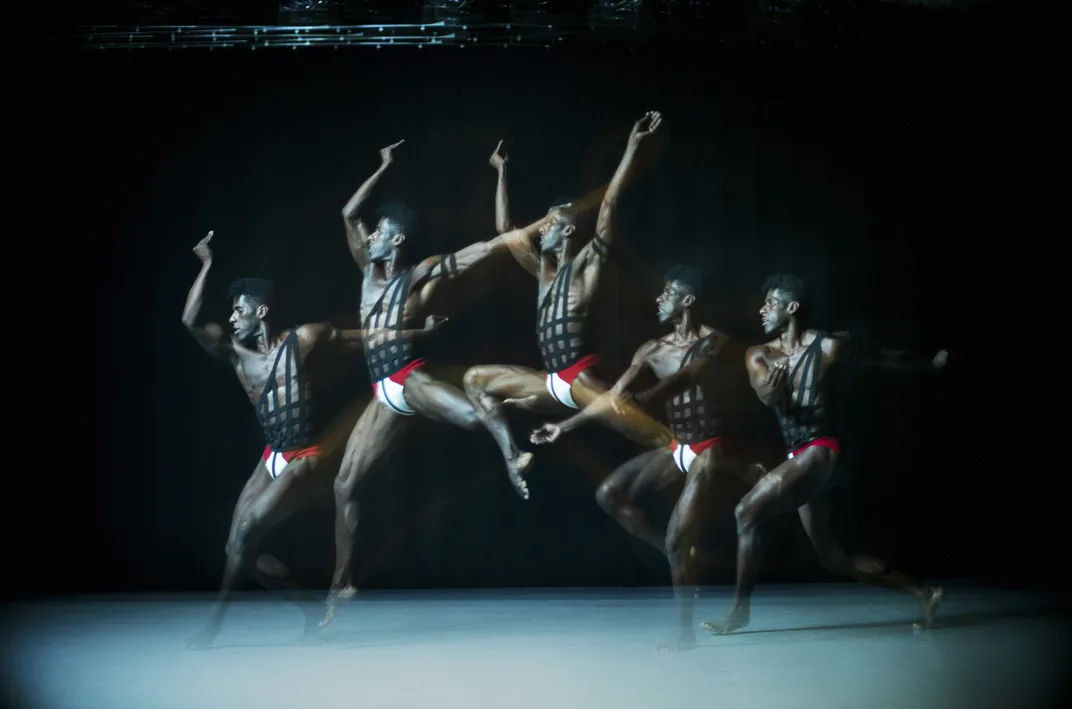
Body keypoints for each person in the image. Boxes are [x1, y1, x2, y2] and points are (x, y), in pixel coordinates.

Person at [322, 140, 552, 626]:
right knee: (345, 485)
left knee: (474, 417)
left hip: (408, 380)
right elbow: (348, 212)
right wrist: (383, 166)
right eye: (375, 232)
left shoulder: (419, 276)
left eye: (382, 233)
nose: (373, 238)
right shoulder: (367, 273)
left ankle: (514, 452)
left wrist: (532, 225)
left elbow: (483, 252)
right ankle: (343, 582)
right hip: (380, 393)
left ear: (398, 240)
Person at [182, 230, 443, 649]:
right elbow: (190, 322)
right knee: (237, 548)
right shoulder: (237, 355)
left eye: (239, 311)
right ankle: (306, 605)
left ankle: (213, 627)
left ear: (260, 311)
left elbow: (362, 338)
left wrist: (419, 333)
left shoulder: (305, 339)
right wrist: (206, 264)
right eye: (231, 313)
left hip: (305, 456)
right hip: (271, 456)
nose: (232, 319)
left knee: (248, 530)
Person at [530, 266, 763, 651]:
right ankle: (673, 552)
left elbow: (689, 375)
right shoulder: (651, 349)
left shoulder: (714, 342)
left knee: (679, 533)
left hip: (712, 447)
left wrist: (651, 396)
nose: (659, 299)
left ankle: (683, 632)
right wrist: (564, 427)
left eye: (667, 293)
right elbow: (611, 398)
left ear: (687, 301)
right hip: (678, 447)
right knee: (609, 493)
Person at [702, 272, 948, 635]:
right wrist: (772, 388)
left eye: (771, 303)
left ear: (793, 308)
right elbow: (765, 396)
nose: (762, 310)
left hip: (824, 450)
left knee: (746, 512)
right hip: (798, 455)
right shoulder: (759, 354)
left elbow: (886, 358)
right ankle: (923, 592)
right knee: (834, 559)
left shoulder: (830, 347)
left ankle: (739, 611)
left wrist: (931, 365)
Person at [464, 113, 672, 501]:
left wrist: (632, 146)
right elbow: (505, 229)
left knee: (659, 438)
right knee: (475, 380)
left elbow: (609, 203)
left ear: (569, 230)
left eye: (551, 223)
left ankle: (699, 475)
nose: (542, 228)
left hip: (582, 381)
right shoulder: (543, 272)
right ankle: (514, 458)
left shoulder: (587, 267)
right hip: (549, 382)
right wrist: (500, 171)